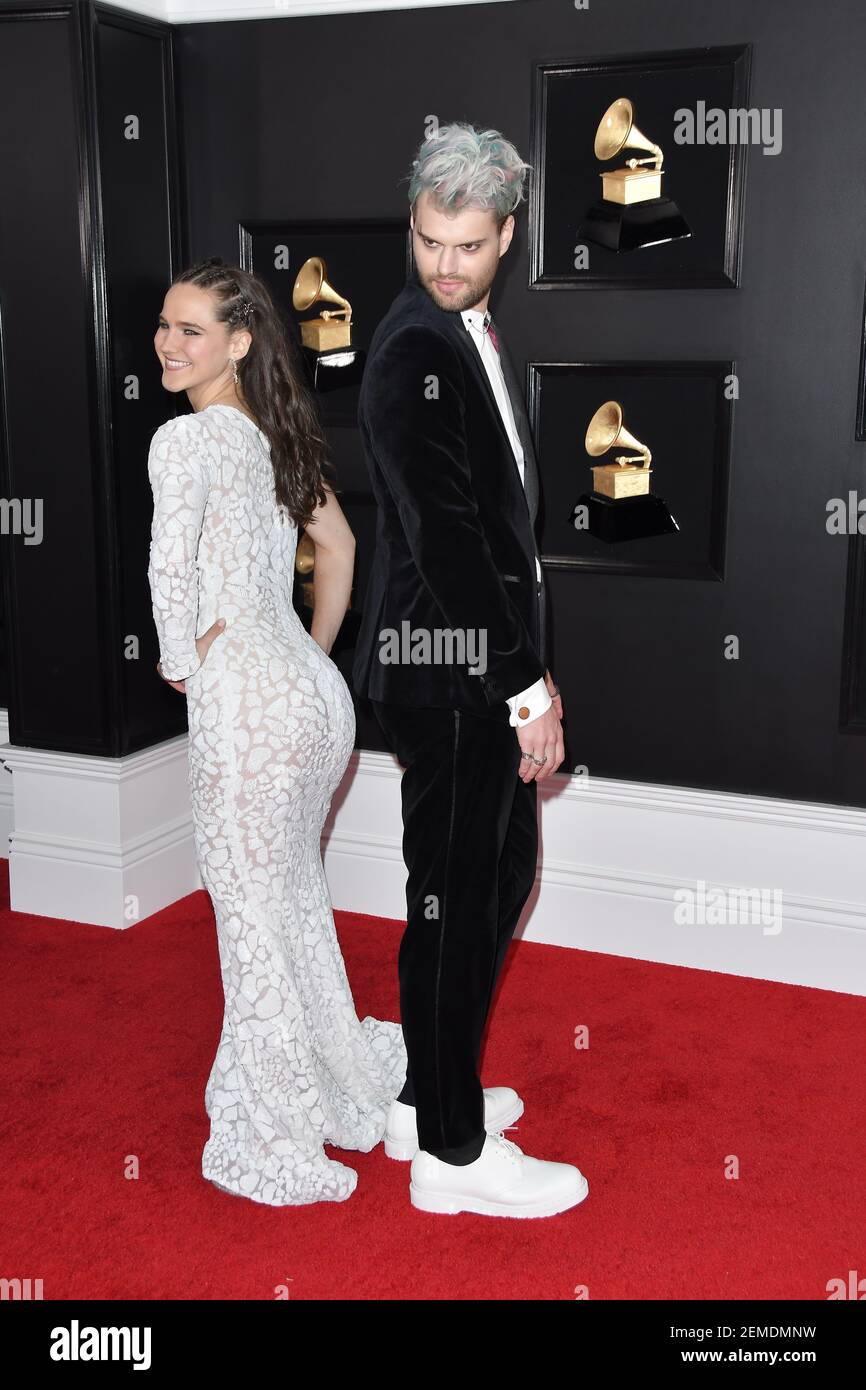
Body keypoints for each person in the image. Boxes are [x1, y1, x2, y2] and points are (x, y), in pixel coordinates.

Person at [352, 124, 589, 1218]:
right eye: (426, 240)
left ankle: (420, 1093)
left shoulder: (457, 334)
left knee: (489, 881)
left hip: (467, 669)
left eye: (467, 245)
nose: (444, 263)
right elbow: (445, 541)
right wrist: (522, 686)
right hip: (448, 675)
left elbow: (497, 530)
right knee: (456, 900)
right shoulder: (410, 347)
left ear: (506, 234)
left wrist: (524, 669)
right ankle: (448, 1157)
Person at [146, 256, 407, 1206]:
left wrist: (184, 660)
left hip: (248, 703)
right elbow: (338, 548)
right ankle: (338, 1083)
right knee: (292, 898)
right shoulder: (279, 437)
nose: (171, 345)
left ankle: (277, 1131)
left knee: (249, 914)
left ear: (241, 341)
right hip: (309, 699)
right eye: (165, 326)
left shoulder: (188, 441)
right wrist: (309, 655)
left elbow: (171, 566)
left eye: (192, 330)